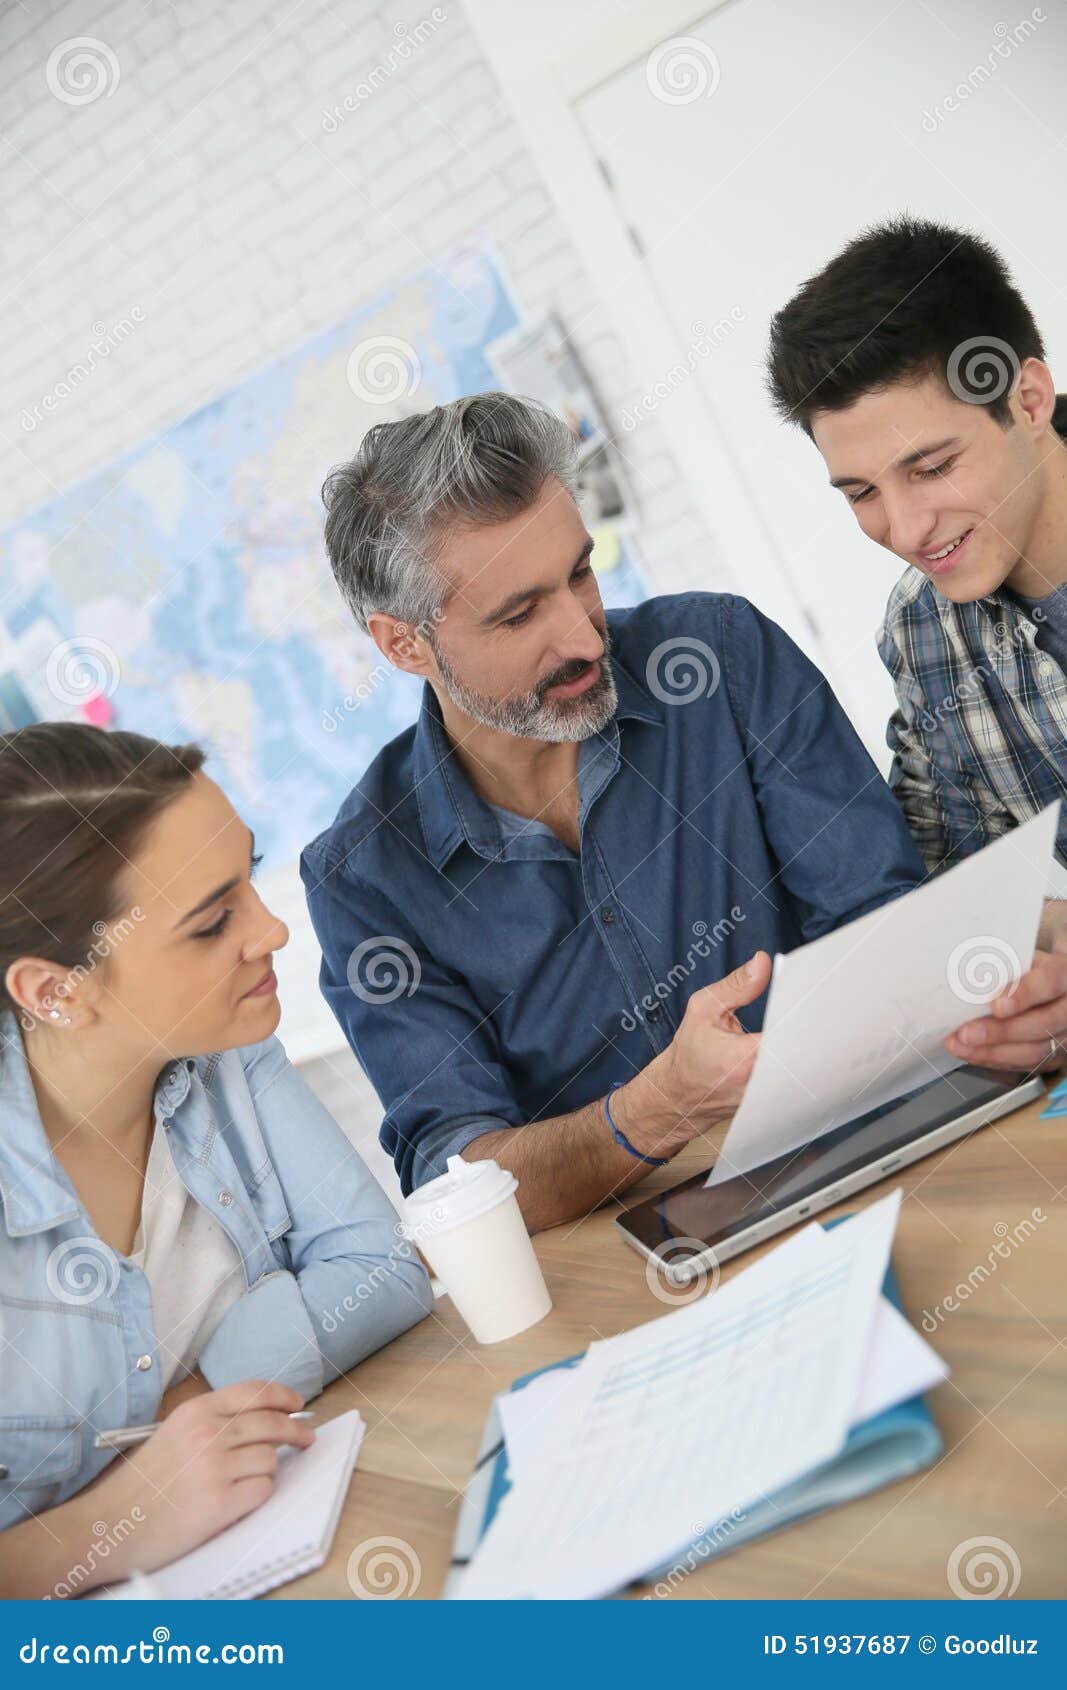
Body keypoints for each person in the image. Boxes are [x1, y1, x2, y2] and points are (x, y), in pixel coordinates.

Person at [301, 391, 929, 1234]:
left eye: (580, 573)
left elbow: (885, 925)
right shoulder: (364, 879)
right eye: (520, 613)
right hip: (630, 1267)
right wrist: (652, 1111)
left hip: (874, 1147)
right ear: (402, 644)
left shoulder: (717, 659)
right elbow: (462, 1182)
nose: (585, 638)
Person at [0, 724, 432, 1596]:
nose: (271, 929)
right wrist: (118, 1519)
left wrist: (193, 1403)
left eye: (249, 876)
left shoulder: (222, 1041)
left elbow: (381, 1269)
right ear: (57, 992)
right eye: (210, 923)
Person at [767, 216, 1067, 1074]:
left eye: (931, 468)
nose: (902, 529)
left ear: (1027, 400)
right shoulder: (921, 632)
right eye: (860, 492)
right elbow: (941, 886)